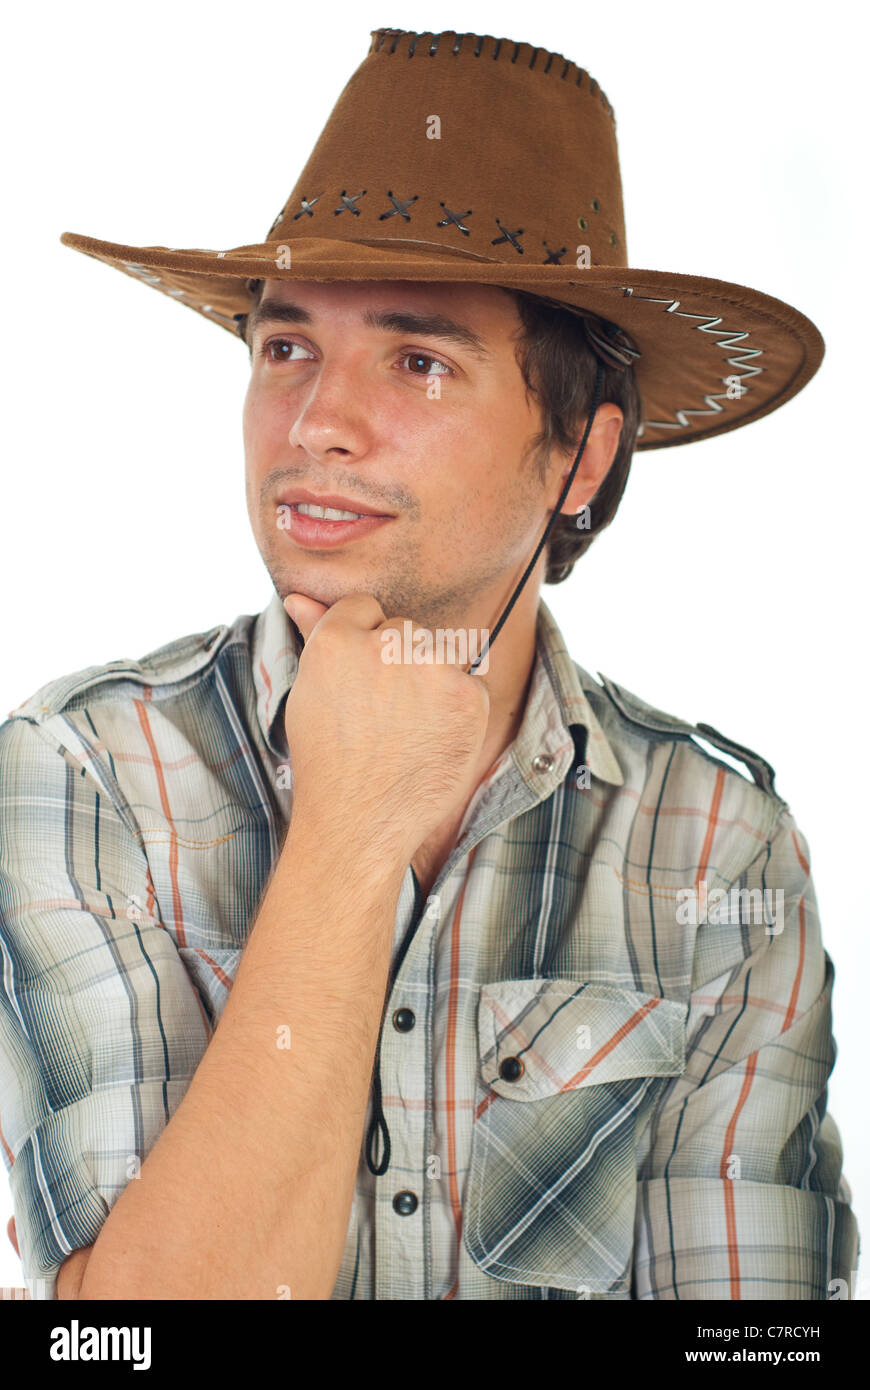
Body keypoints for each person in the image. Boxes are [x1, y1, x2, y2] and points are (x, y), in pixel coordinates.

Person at [0, 26, 858, 1300]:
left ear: (582, 456)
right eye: (285, 347)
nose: (316, 424)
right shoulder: (81, 775)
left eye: (417, 361)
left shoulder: (718, 843)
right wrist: (349, 834)